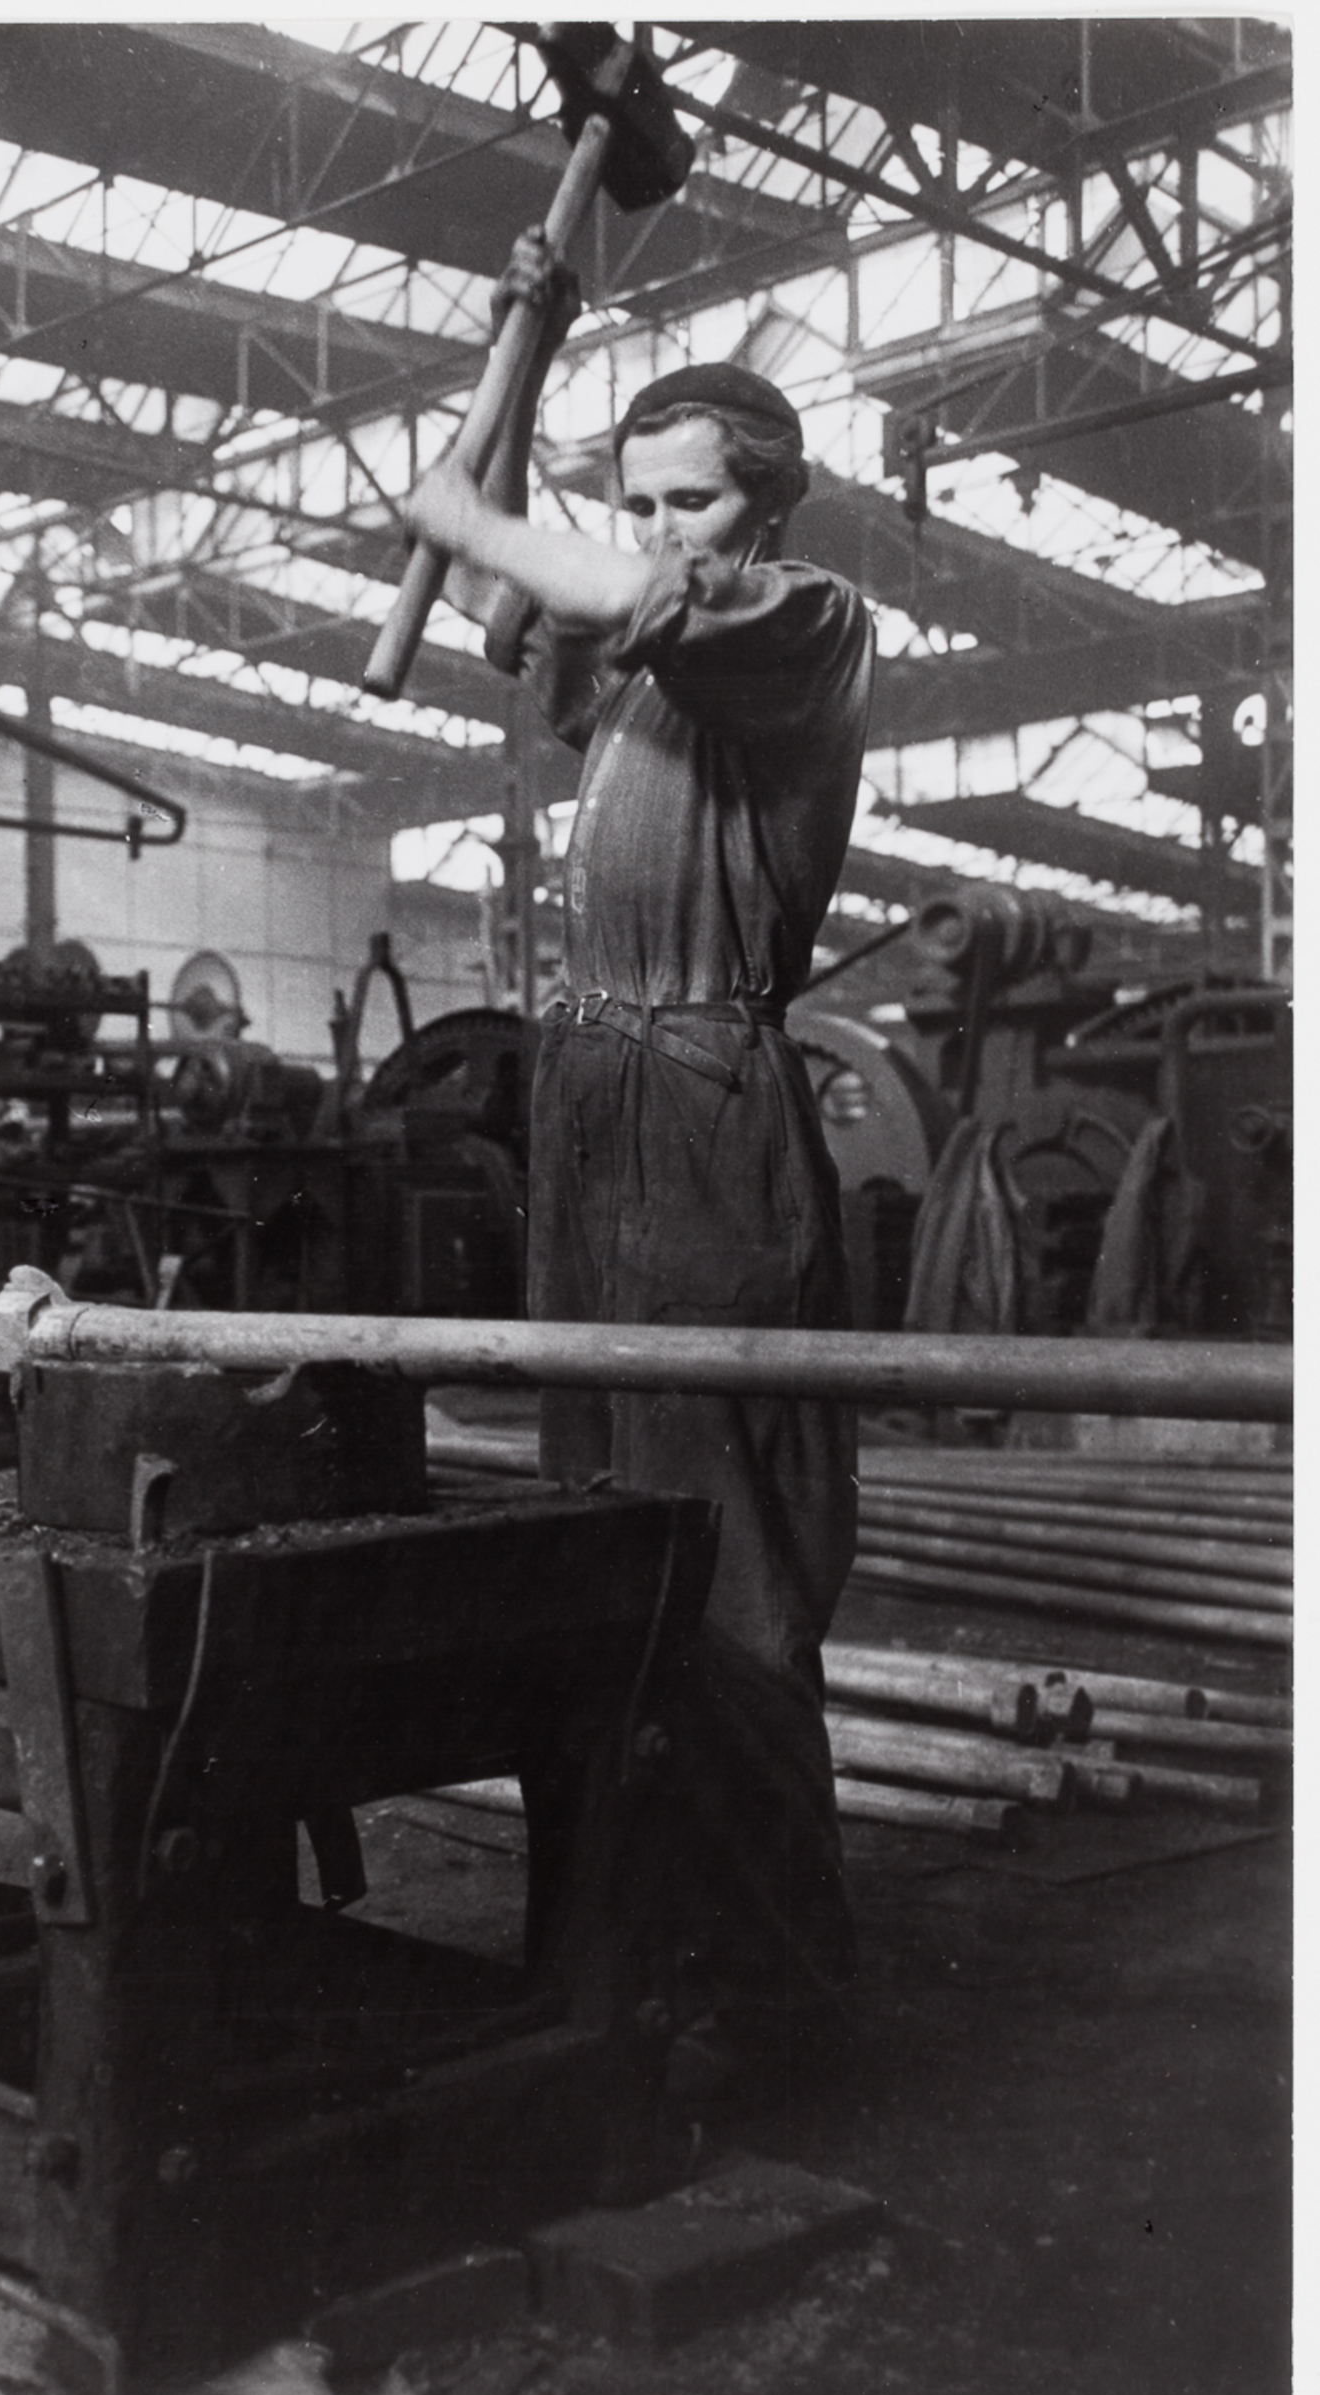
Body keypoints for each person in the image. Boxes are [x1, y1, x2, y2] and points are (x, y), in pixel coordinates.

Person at [406, 230, 875, 2108]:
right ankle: (617, 1972)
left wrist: (468, 501)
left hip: (701, 1117)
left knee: (728, 1583)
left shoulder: (807, 632)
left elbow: (549, 567)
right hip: (587, 1112)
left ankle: (780, 2016)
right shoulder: (633, 666)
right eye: (645, 503)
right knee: (593, 1555)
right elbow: (498, 600)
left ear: (765, 511)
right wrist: (525, 344)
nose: (665, 535)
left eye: (695, 505)